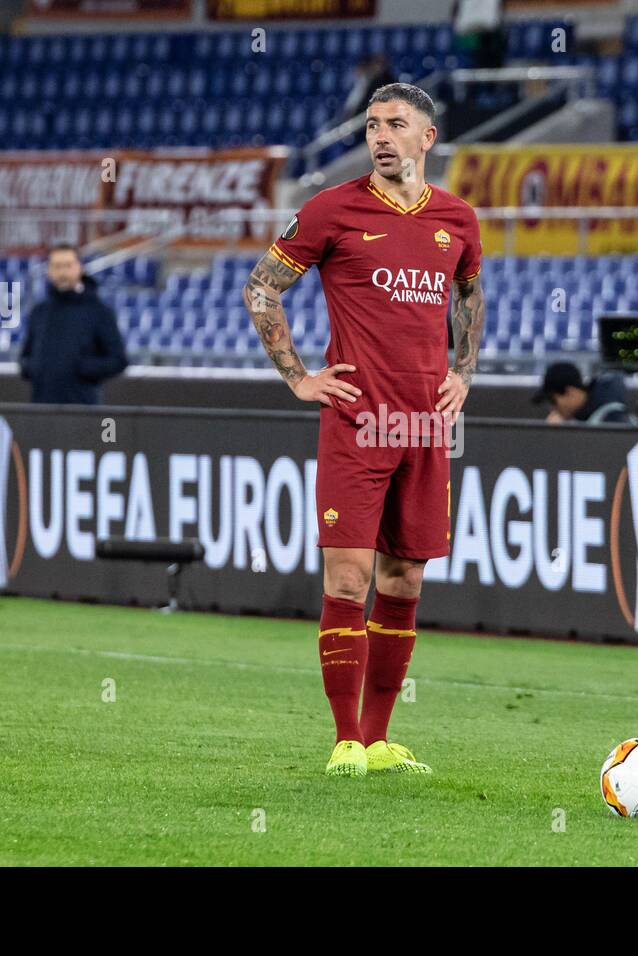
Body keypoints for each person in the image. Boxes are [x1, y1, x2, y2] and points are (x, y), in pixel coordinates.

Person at [241, 83, 484, 778]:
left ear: (426, 138)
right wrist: (297, 377)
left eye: (395, 124)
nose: (380, 135)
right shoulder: (332, 209)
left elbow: (468, 292)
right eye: (372, 124)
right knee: (348, 579)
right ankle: (345, 739)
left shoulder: (457, 219)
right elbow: (262, 285)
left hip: (425, 425)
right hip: (357, 420)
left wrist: (462, 372)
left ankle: (379, 740)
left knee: (404, 578)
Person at [17, 244, 128, 404]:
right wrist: (34, 368)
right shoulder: (40, 312)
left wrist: (80, 368)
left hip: (82, 411)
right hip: (41, 409)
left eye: (68, 265)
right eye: (57, 266)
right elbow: (26, 356)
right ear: (49, 271)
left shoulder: (98, 311)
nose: (62, 272)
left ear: (80, 268)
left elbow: (118, 360)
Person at [532, 362, 629, 424]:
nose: (553, 408)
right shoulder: (583, 416)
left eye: (553, 401)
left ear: (570, 392)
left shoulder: (611, 417)